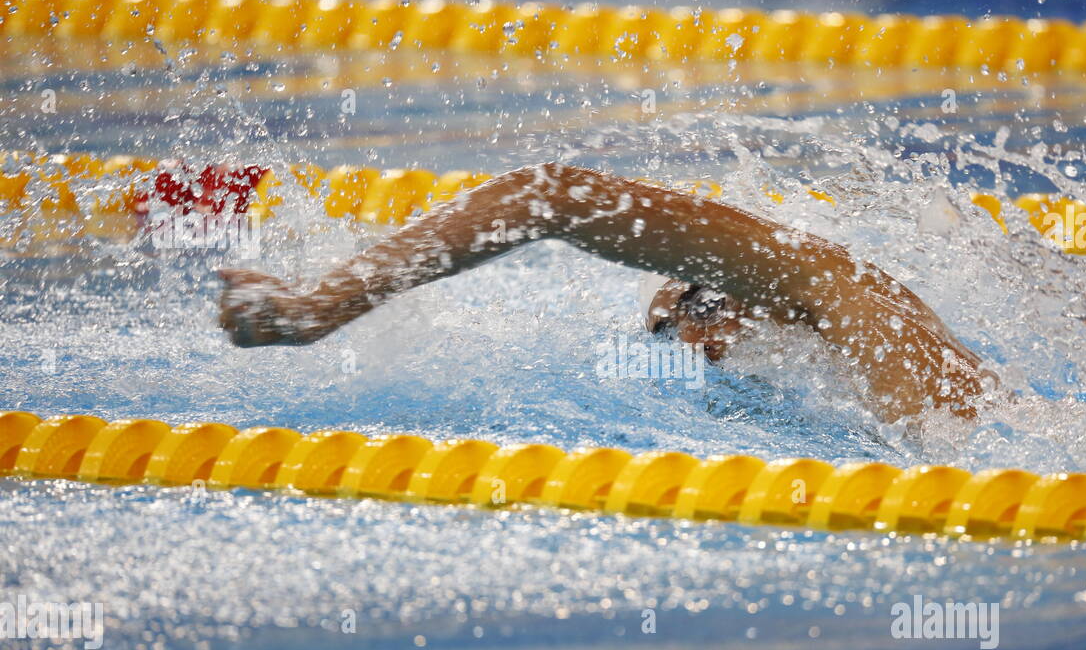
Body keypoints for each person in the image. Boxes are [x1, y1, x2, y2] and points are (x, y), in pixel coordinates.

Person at [218, 162, 995, 422]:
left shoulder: (831, 286)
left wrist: (322, 307)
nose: (697, 345)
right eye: (672, 336)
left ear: (748, 284)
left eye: (698, 307)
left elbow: (544, 194)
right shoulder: (812, 383)